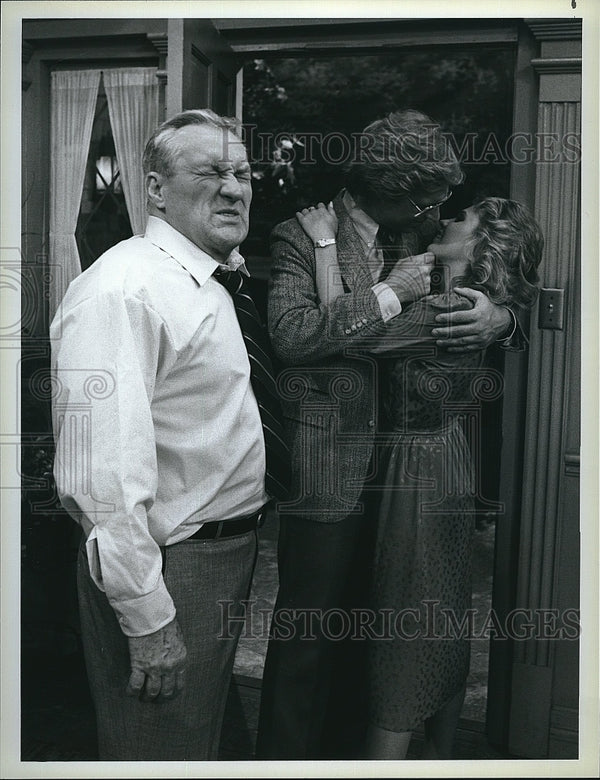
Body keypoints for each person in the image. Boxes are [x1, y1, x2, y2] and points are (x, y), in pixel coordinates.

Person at [256, 109, 521, 760]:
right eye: (430, 194)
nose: (441, 208)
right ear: (394, 186)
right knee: (307, 644)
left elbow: (495, 272)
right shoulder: (299, 234)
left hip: (411, 478)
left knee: (382, 636)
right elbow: (293, 339)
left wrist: (502, 319)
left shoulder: (425, 230)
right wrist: (388, 292)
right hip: (332, 474)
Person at [50, 108, 289, 760]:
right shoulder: (124, 291)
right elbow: (101, 483)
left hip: (225, 557)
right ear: (155, 189)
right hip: (170, 569)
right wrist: (149, 621)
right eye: (211, 171)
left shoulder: (215, 278)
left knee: (195, 742)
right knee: (153, 756)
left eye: (241, 173)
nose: (235, 188)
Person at [295, 196, 543, 759]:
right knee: (443, 606)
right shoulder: (469, 301)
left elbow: (345, 330)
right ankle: (441, 751)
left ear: (480, 247)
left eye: (464, 219)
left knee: (403, 616)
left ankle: (390, 757)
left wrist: (326, 243)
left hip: (414, 472)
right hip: (447, 460)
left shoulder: (445, 309)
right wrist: (504, 317)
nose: (449, 217)